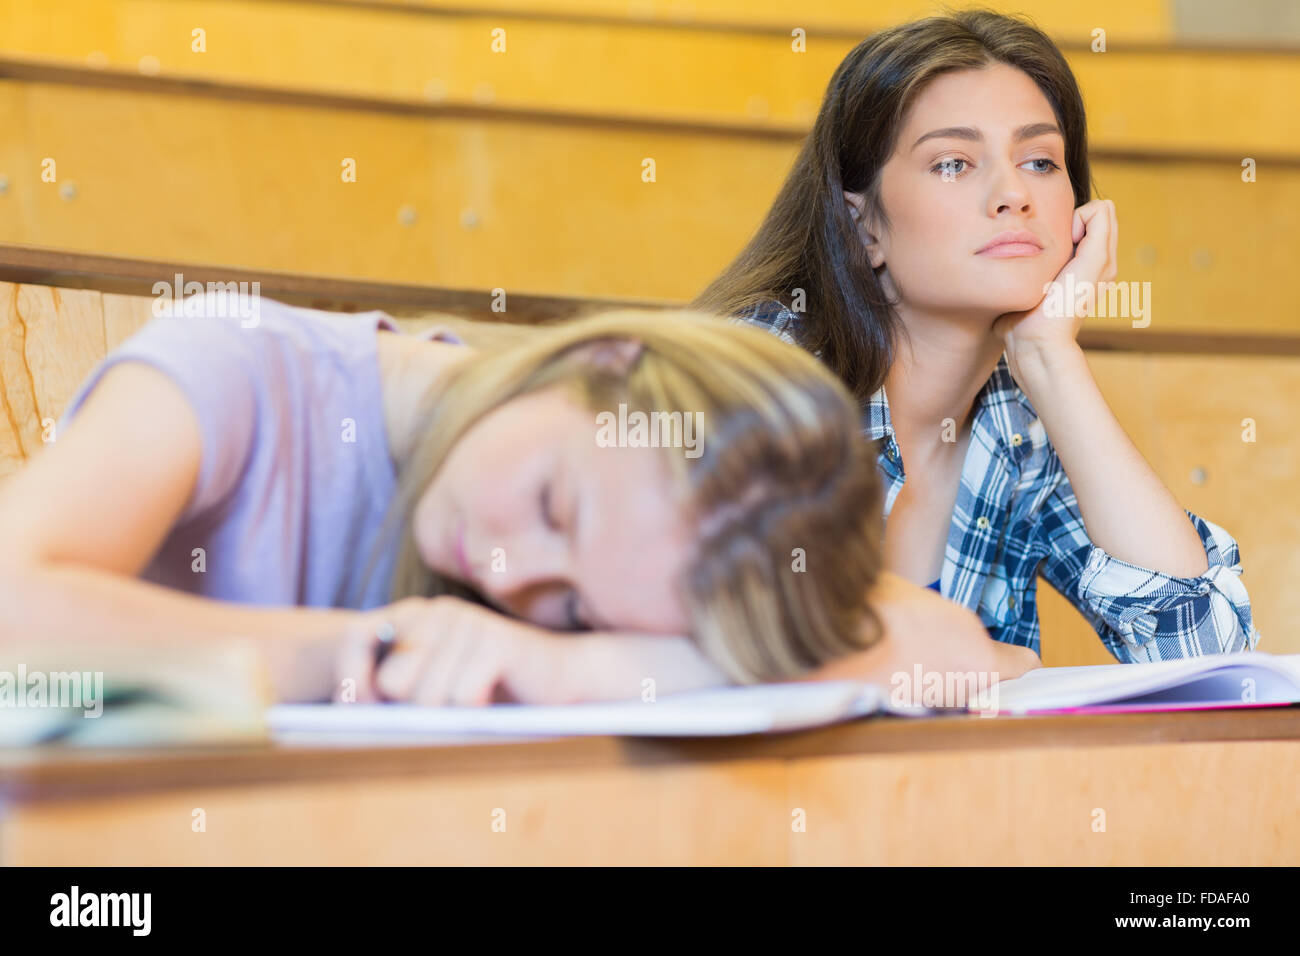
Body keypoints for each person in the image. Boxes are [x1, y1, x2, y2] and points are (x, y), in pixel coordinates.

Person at [0, 293, 1034, 709]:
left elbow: (946, 648)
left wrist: (574, 661)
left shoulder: (590, 551)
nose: (504, 577)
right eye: (553, 506)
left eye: (573, 603)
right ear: (597, 359)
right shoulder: (241, 365)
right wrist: (372, 653)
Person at [694, 9, 1260, 662]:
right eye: (954, 163)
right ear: (863, 227)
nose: (1013, 192)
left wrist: (1051, 360)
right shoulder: (760, 374)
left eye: (1042, 160)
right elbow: (749, 642)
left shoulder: (1021, 419)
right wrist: (987, 659)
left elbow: (1209, 655)